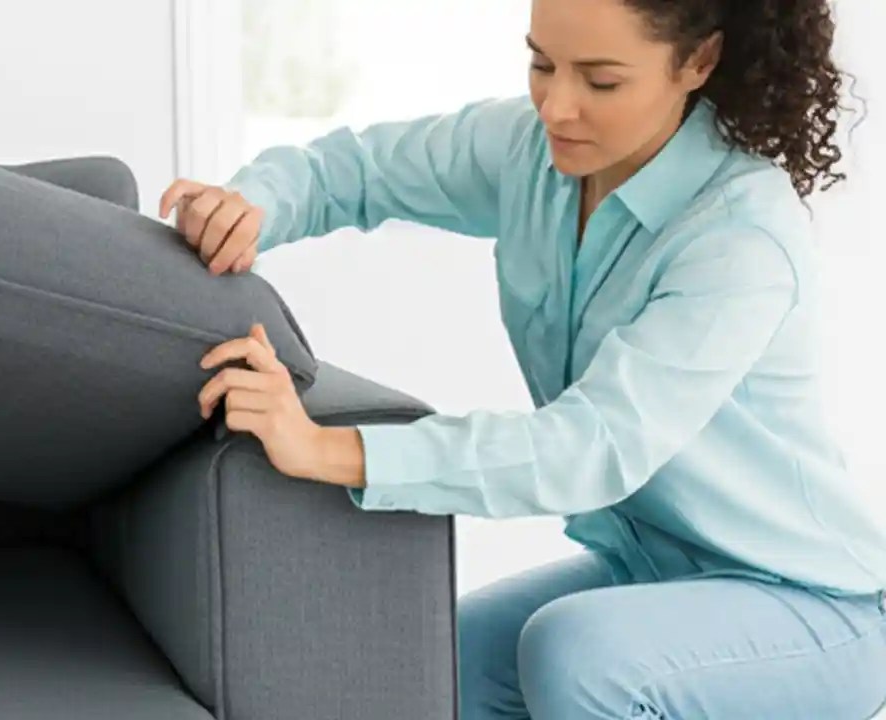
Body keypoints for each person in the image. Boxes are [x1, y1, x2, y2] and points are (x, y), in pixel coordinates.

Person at [161, 0, 886, 717]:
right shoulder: (531, 152)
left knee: (579, 656)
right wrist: (250, 206)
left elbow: (589, 446)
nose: (557, 107)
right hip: (651, 572)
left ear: (698, 61)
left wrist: (326, 449)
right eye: (542, 63)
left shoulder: (740, 238)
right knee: (430, 666)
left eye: (601, 82)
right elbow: (358, 171)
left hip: (811, 608)